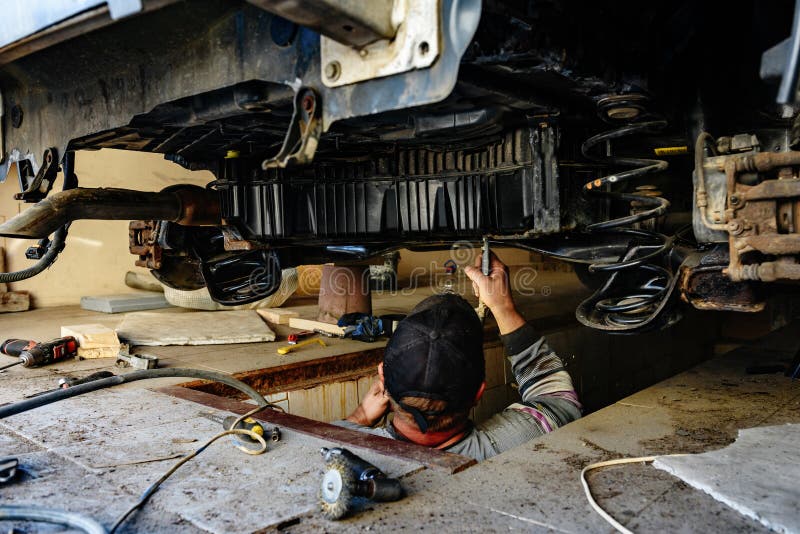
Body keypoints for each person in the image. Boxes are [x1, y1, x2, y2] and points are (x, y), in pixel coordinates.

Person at [334, 253, 582, 461]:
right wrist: (503, 307)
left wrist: (360, 417)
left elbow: (336, 435)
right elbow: (559, 401)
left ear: (382, 379)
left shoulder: (336, 447)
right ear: (478, 393)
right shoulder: (511, 444)